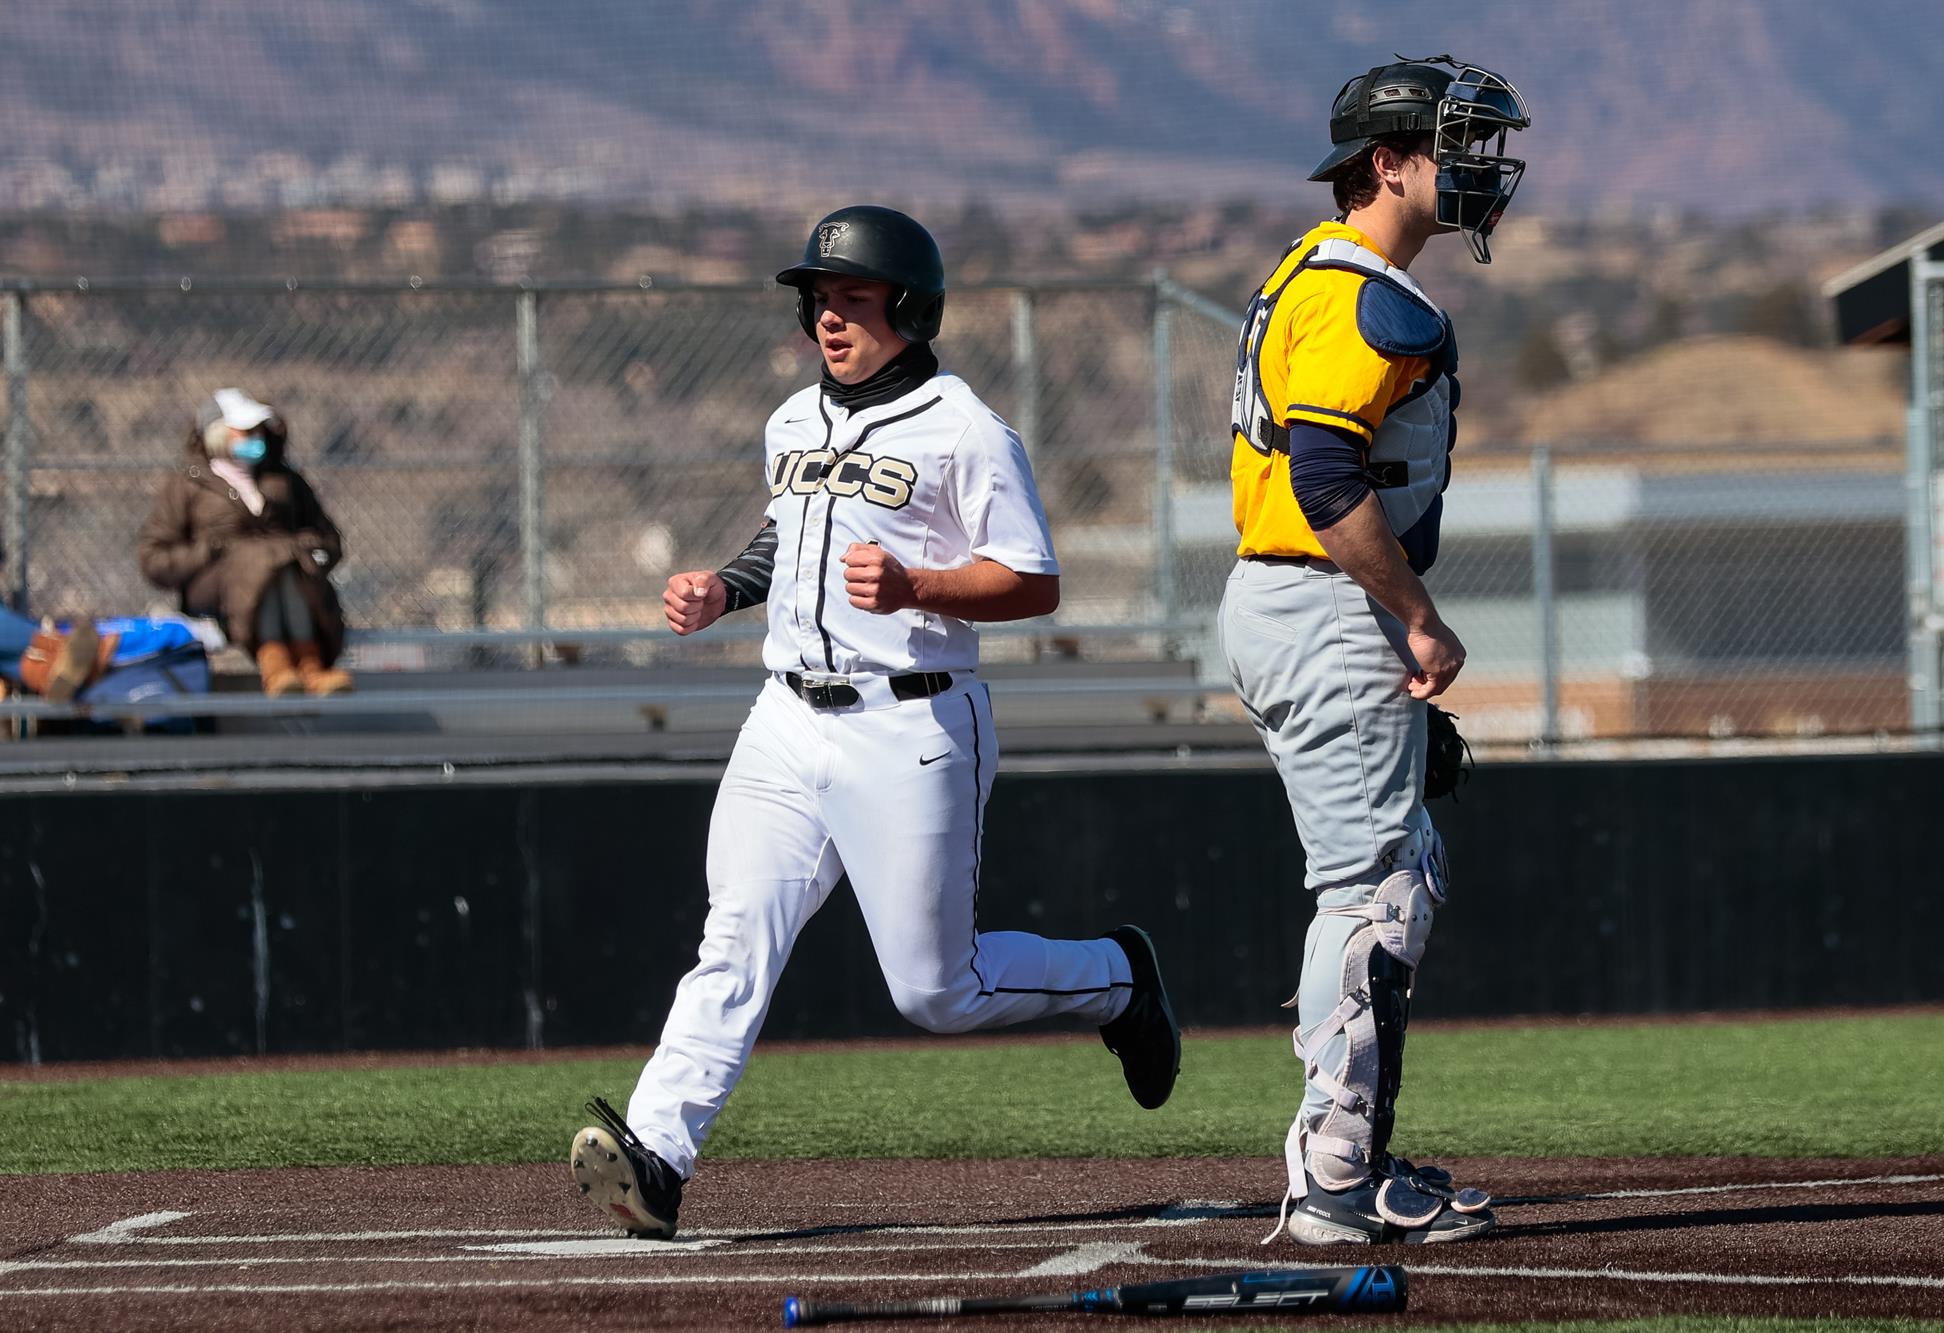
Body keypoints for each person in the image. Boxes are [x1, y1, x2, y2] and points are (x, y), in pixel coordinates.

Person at [569, 205, 1181, 1238]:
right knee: (735, 936)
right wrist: (725, 589)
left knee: (937, 990)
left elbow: (1033, 584)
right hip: (784, 719)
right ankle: (657, 1155)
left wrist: (919, 585)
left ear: (908, 305)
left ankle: (1118, 977)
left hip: (911, 724)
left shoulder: (964, 429)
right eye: (817, 300)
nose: (828, 319)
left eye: (851, 298)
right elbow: (789, 527)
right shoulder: (791, 421)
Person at [1219, 56, 1529, 1246]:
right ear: (1384, 164)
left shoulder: (1304, 268)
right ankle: (1336, 1171)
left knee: (1391, 868)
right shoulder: (1370, 298)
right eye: (1453, 146)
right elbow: (1324, 470)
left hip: (1283, 600)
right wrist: (1414, 614)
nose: (1476, 171)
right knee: (1374, 892)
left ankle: (1342, 1151)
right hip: (1323, 602)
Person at [138, 389, 352, 696]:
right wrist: (208, 551)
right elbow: (154, 557)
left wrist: (305, 548)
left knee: (281, 565)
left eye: (258, 429)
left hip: (289, 579)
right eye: (246, 430)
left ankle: (310, 664)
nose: (256, 437)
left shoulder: (285, 480)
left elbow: (327, 538)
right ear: (218, 434)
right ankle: (276, 663)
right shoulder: (188, 486)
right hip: (217, 592)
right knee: (258, 564)